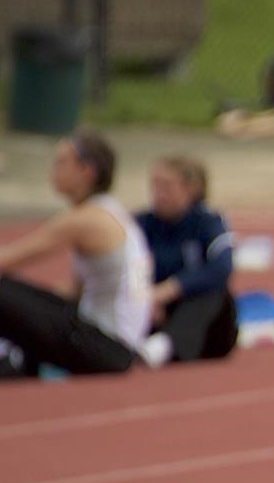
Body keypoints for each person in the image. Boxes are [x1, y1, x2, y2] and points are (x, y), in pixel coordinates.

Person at [0, 130, 152, 379]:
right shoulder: (111, 211)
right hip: (108, 338)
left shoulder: (86, 220)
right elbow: (75, 291)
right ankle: (19, 359)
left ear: (87, 171)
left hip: (107, 348)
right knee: (16, 294)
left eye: (61, 163)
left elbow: (9, 259)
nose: (53, 170)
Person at [136, 155, 238, 366]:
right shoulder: (141, 225)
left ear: (190, 189)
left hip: (208, 327)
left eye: (167, 186)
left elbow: (222, 267)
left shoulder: (209, 223)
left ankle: (166, 345)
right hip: (151, 312)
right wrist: (145, 296)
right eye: (155, 185)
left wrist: (170, 289)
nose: (159, 194)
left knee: (213, 290)